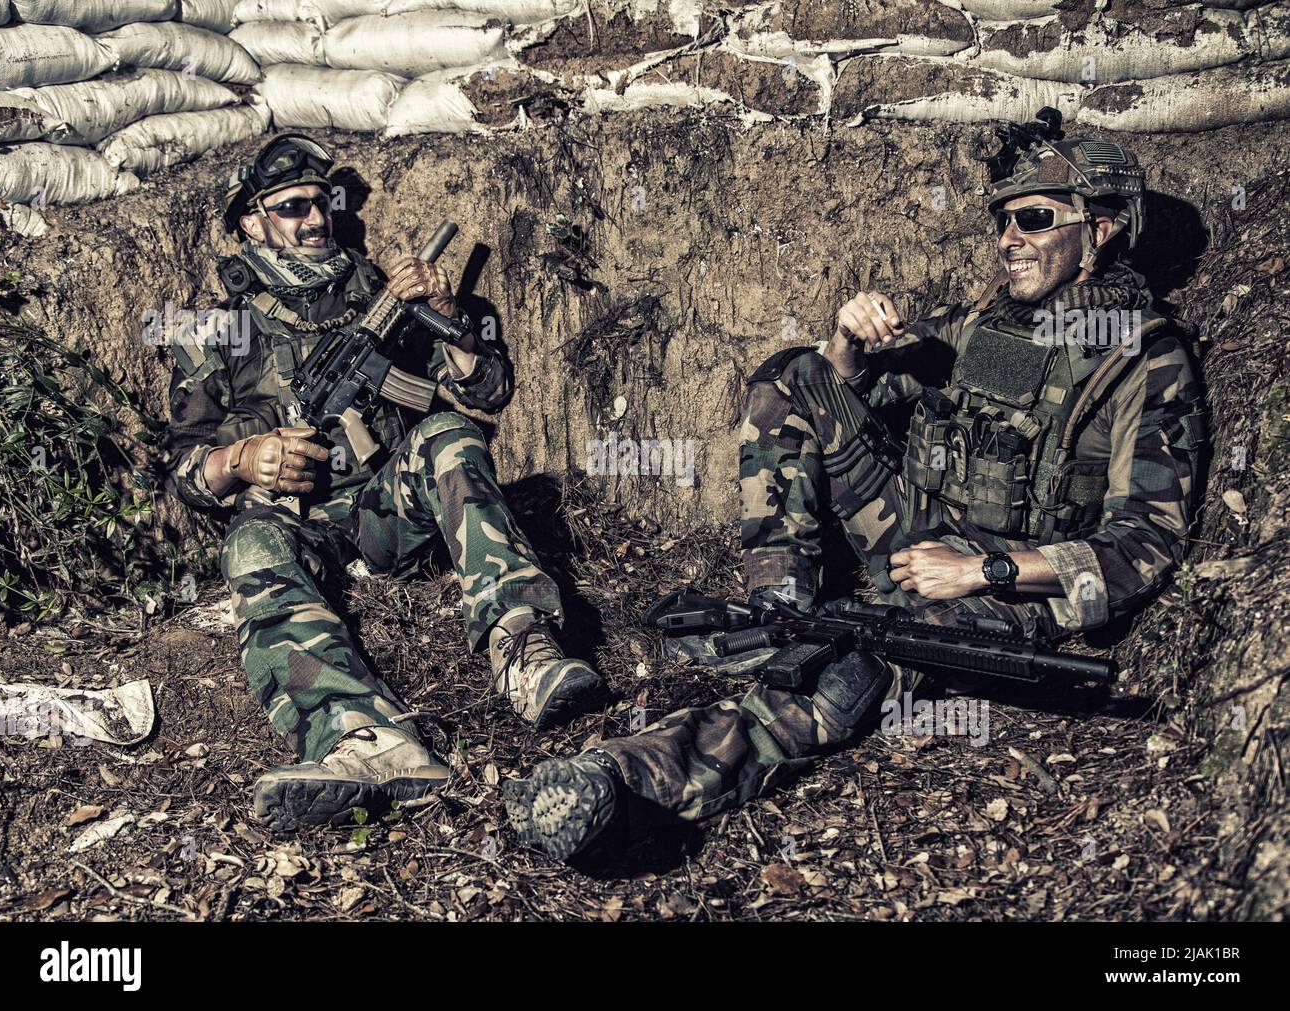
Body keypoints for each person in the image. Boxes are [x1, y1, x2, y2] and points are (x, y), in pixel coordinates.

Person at [503, 114, 1206, 861]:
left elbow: (1144, 545)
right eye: (1004, 220)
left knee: (851, 669)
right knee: (792, 374)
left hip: (1007, 589)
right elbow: (857, 388)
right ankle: (783, 609)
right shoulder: (986, 325)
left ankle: (624, 777)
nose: (1009, 238)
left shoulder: (1145, 359)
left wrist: (980, 572)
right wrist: (846, 342)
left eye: (1034, 219)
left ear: (1098, 232)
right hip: (918, 534)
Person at [160, 134, 604, 830]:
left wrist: (450, 317)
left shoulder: (374, 292)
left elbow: (490, 390)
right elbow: (181, 473)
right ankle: (366, 739)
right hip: (292, 521)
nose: (314, 220)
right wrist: (241, 459)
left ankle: (524, 644)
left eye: (320, 204)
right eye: (291, 207)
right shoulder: (217, 329)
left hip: (382, 507)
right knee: (248, 543)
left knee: (452, 434)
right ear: (251, 220)